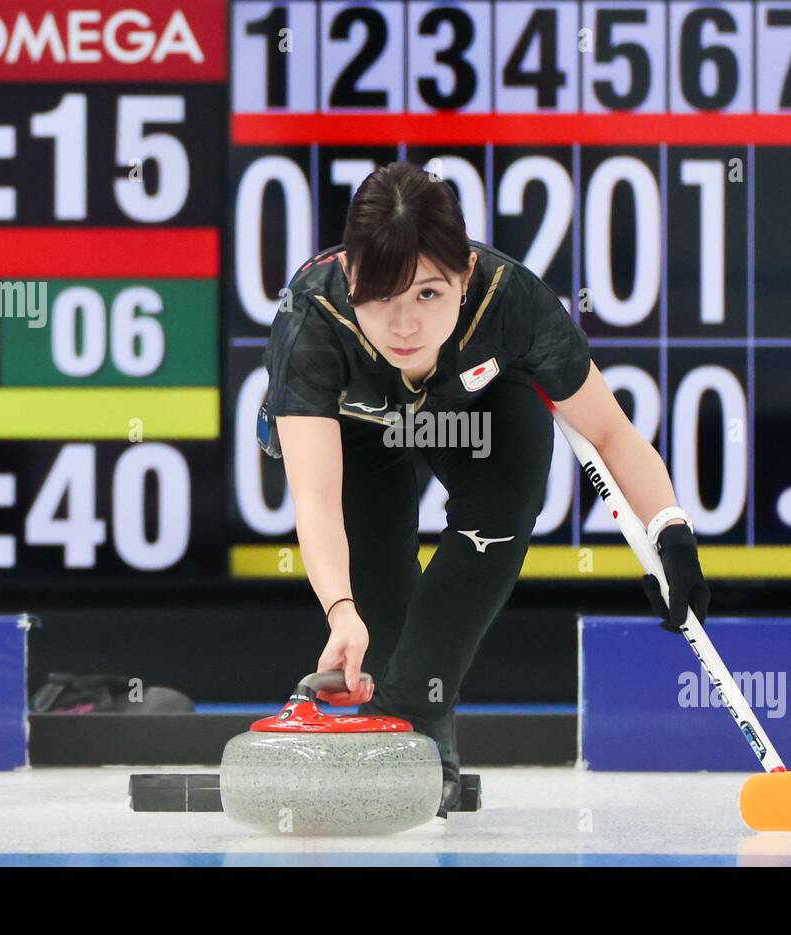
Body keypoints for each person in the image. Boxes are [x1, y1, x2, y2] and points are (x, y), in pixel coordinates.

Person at [260, 161, 709, 814]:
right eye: (381, 297)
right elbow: (316, 499)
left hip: (478, 409)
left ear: (466, 274)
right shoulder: (316, 317)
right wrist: (339, 610)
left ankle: (417, 722)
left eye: (428, 294)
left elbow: (611, 435)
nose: (405, 325)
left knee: (502, 508)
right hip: (355, 425)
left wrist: (672, 533)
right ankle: (405, 716)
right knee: (373, 597)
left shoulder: (511, 300)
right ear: (351, 278)